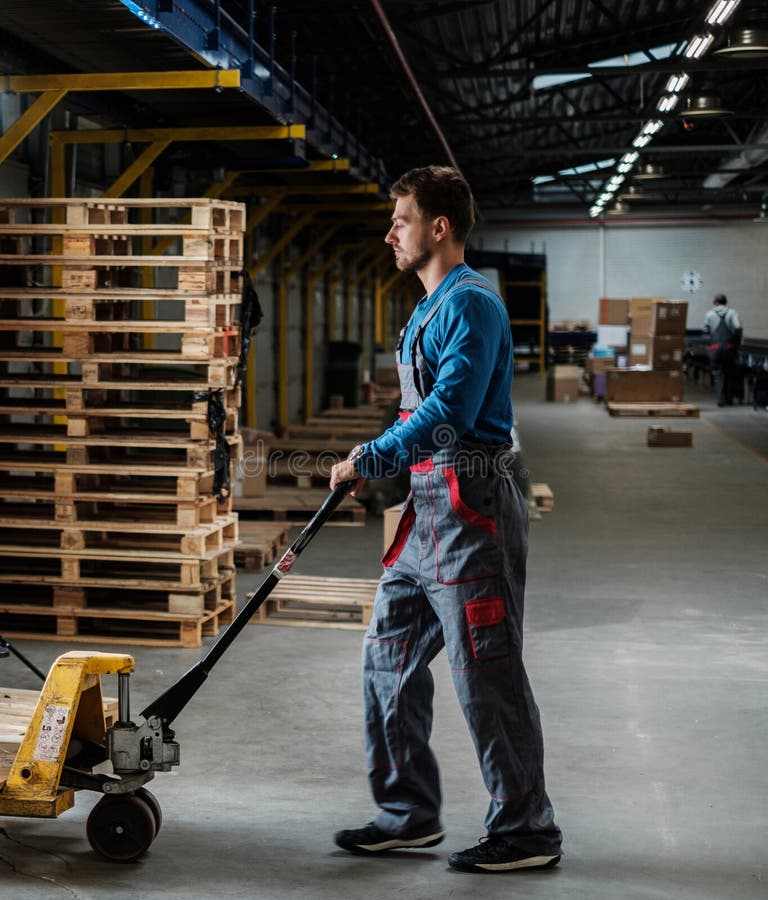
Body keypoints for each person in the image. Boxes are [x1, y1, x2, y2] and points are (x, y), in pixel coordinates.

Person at [329, 166, 562, 873]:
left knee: (485, 670)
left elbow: (447, 414)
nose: (389, 234)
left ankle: (526, 829)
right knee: (387, 658)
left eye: (400, 220)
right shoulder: (427, 309)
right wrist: (378, 462)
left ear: (438, 226)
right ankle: (409, 813)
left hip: (471, 509)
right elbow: (417, 413)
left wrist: (373, 457)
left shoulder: (473, 306)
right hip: (425, 510)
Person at [704, 293, 743, 406]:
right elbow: (738, 327)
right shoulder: (732, 313)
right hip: (729, 348)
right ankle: (729, 400)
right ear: (725, 302)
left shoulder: (709, 314)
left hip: (715, 348)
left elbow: (705, 331)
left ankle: (720, 400)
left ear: (715, 302)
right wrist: (737, 341)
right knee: (729, 373)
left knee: (717, 374)